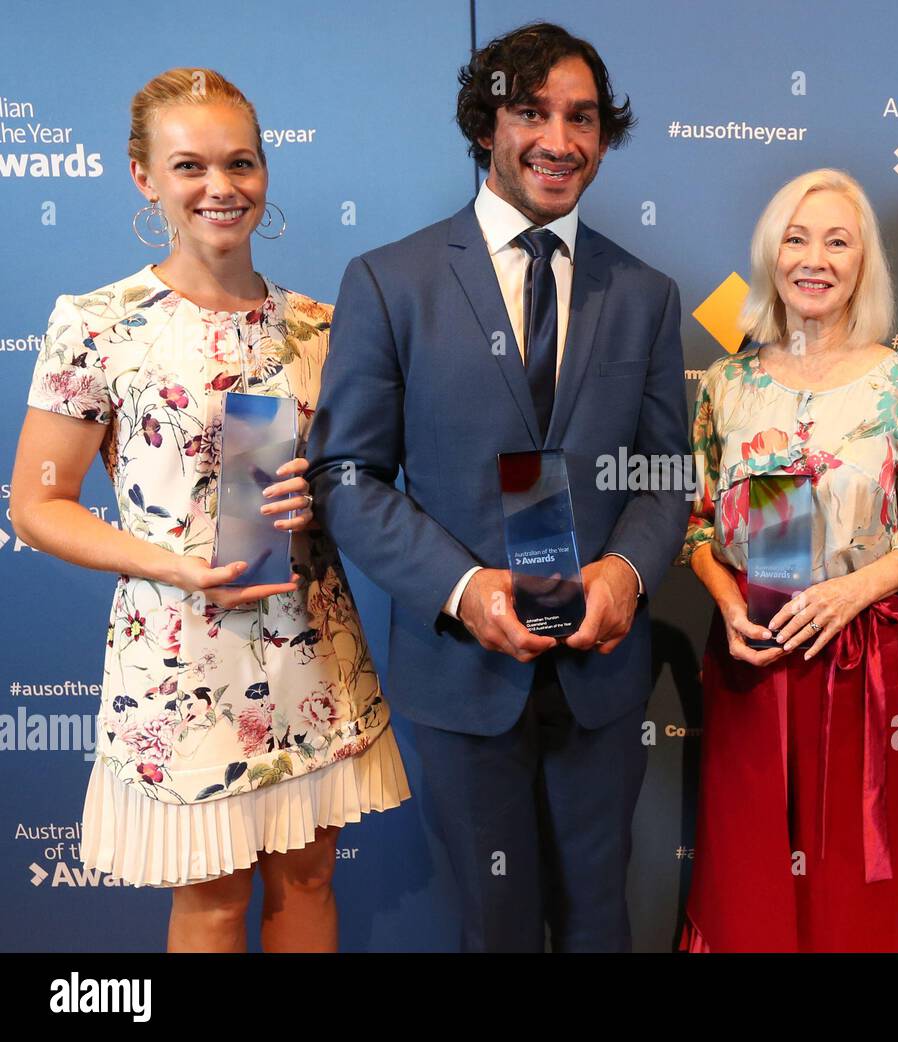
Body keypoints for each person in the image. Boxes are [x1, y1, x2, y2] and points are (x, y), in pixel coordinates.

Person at [306, 22, 689, 952]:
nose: (559, 139)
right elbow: (348, 477)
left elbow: (667, 475)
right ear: (487, 124)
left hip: (601, 676)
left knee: (602, 920)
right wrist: (466, 591)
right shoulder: (391, 281)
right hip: (463, 673)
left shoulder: (644, 294)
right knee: (495, 926)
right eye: (531, 112)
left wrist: (626, 575)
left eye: (582, 118)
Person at [9, 68, 409, 953]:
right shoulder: (97, 324)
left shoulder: (320, 327)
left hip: (313, 647)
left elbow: (361, 483)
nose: (220, 188)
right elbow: (37, 505)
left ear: (266, 172)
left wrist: (322, 504)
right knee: (214, 904)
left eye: (241, 163)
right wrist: (173, 564)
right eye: (190, 166)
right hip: (181, 660)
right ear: (143, 177)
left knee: (307, 885)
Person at [680, 169, 898, 952]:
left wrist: (853, 593)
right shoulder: (726, 387)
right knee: (746, 875)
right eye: (797, 239)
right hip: (750, 656)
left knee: (846, 876)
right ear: (772, 255)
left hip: (858, 662)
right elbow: (696, 524)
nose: (815, 258)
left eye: (837, 241)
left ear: (863, 261)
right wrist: (727, 600)